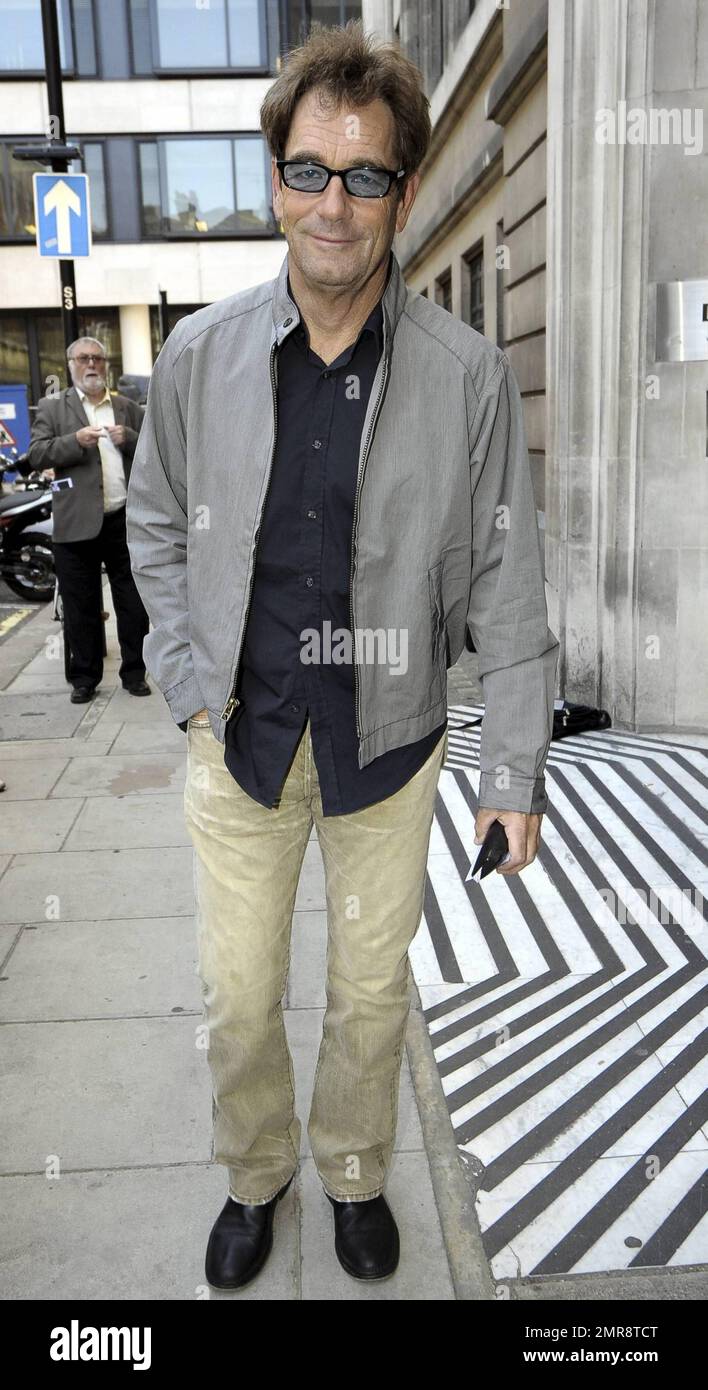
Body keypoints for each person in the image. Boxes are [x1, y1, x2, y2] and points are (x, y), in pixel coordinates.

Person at [126, 20, 559, 1289]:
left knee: (370, 1004)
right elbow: (154, 527)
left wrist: (515, 772)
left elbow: (508, 582)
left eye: (365, 176)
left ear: (404, 195)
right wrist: (190, 682)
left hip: (393, 749)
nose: (334, 202)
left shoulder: (468, 377)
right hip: (240, 746)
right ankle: (257, 1174)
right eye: (310, 169)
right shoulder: (201, 360)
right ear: (275, 179)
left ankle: (357, 1171)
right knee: (238, 1000)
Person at [27, 337, 151, 702]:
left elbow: (155, 447)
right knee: (80, 605)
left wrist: (128, 436)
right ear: (70, 364)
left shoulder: (127, 407)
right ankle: (84, 678)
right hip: (75, 521)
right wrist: (74, 441)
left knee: (132, 602)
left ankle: (135, 673)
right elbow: (35, 455)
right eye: (83, 358)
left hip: (124, 520)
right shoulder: (53, 407)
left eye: (97, 357)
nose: (92, 364)